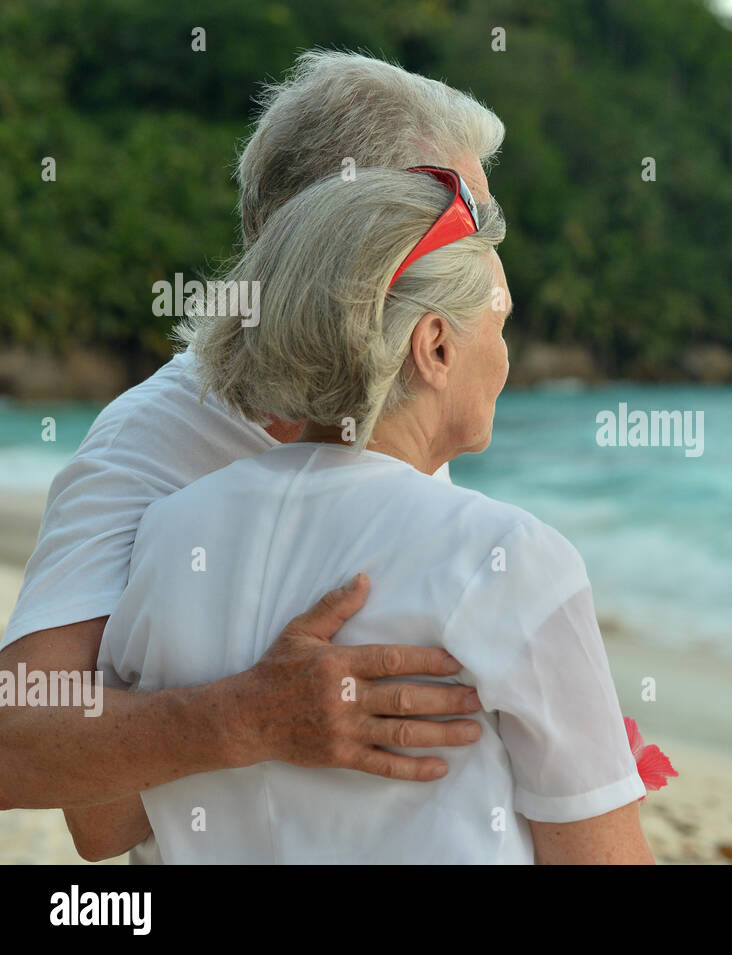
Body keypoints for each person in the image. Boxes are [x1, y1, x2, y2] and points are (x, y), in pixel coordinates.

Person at [0, 52, 504, 862]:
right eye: (465, 218)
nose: (488, 262)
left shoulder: (400, 404)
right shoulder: (148, 442)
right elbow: (17, 742)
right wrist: (247, 717)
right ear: (349, 235)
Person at [98, 166, 654, 863]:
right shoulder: (508, 557)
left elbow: (102, 821)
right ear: (435, 346)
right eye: (499, 321)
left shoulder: (166, 536)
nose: (506, 354)